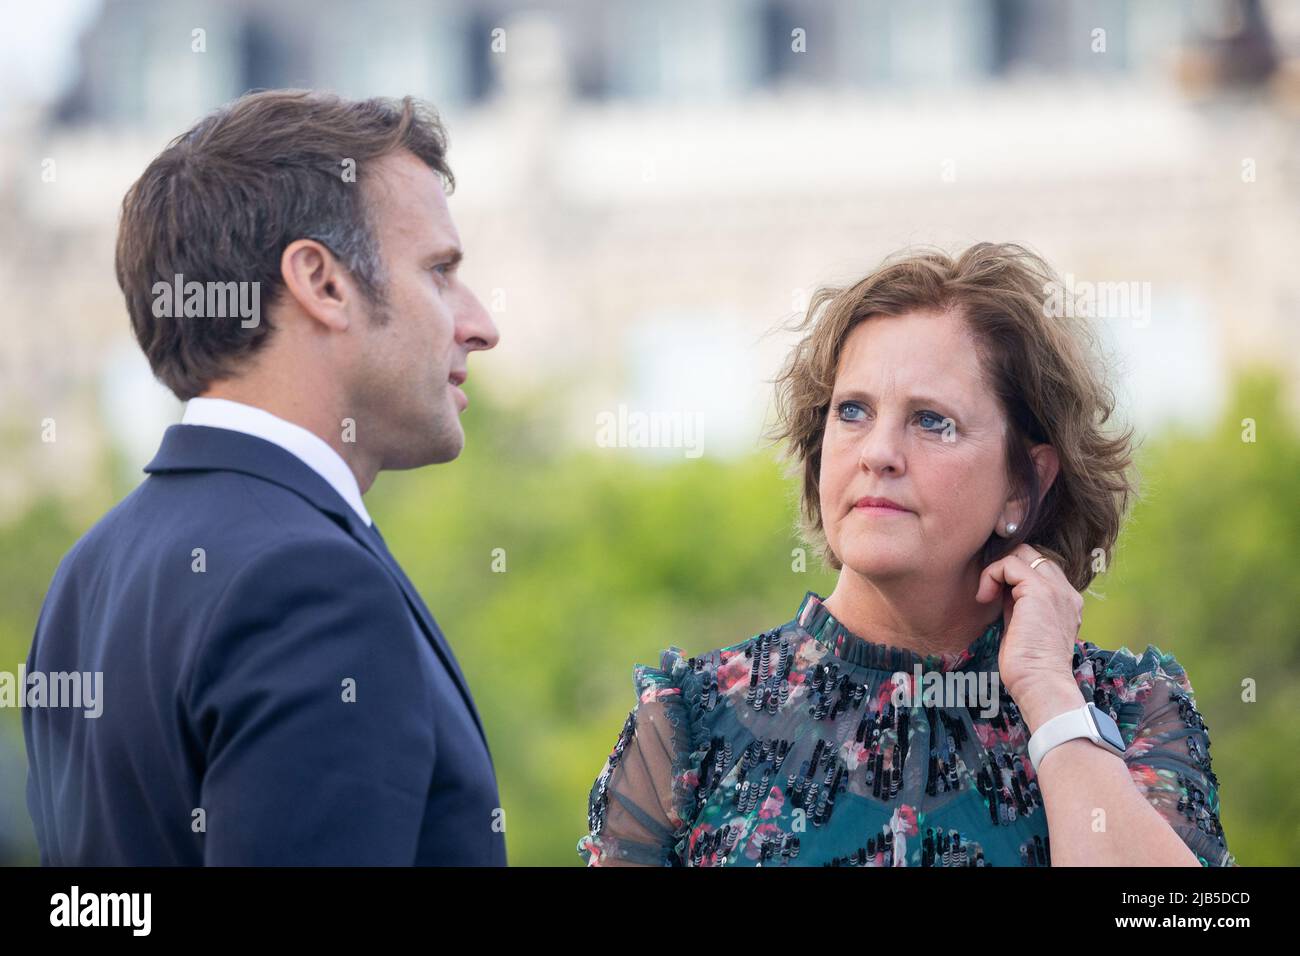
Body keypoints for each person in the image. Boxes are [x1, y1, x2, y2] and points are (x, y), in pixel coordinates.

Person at [577, 242, 1234, 867]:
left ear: (1023, 482)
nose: (879, 452)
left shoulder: (1125, 708)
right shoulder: (688, 723)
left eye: (931, 421)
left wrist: (1048, 693)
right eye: (853, 412)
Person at [23, 90, 505, 864]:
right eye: (440, 272)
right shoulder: (310, 583)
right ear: (321, 282)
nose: (481, 324)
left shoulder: (90, 572)